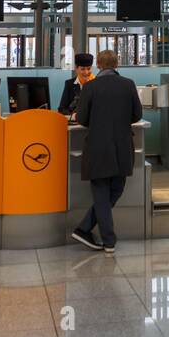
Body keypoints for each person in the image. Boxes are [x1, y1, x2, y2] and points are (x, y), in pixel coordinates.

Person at [70, 49, 142, 255]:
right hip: (121, 146)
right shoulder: (128, 84)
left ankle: (90, 231)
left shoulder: (90, 87)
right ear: (116, 65)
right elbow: (137, 114)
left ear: (99, 65)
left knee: (101, 192)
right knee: (116, 190)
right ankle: (99, 235)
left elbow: (82, 118)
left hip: (97, 147)